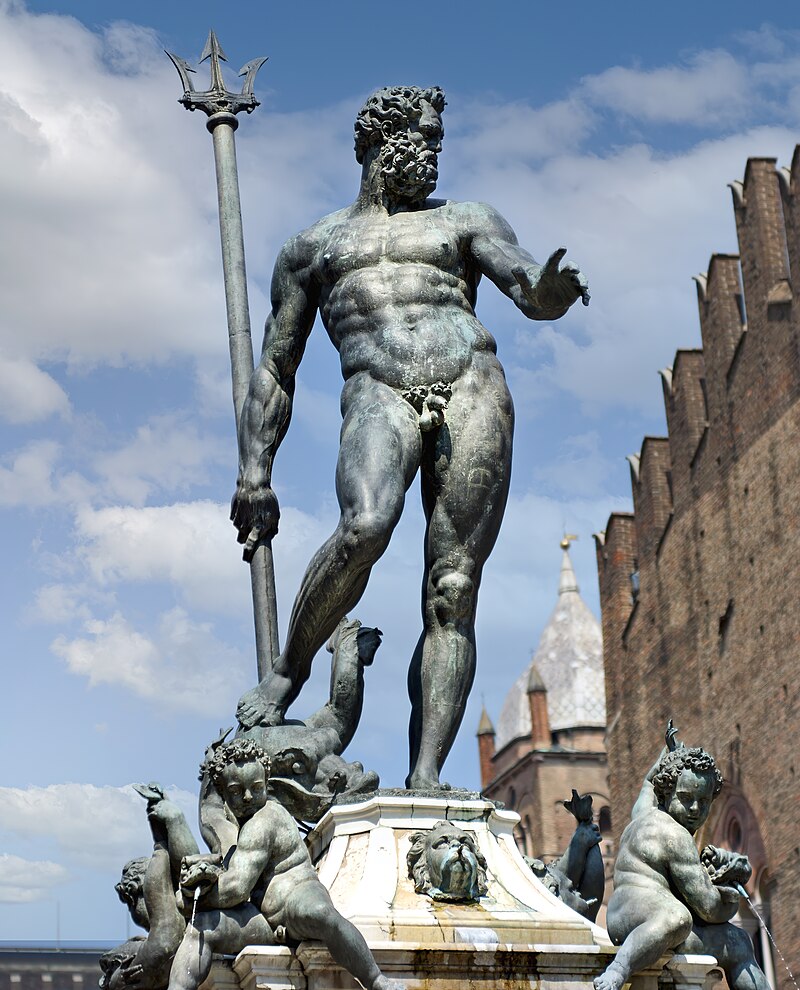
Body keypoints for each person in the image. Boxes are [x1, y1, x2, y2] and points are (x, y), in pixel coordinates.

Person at [230, 85, 589, 788]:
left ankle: (425, 775)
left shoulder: (466, 219)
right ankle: (288, 673)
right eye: (424, 137)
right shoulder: (312, 247)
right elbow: (277, 364)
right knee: (365, 526)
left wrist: (549, 291)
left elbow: (522, 281)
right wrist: (256, 471)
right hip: (377, 390)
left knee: (452, 587)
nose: (433, 151)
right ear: (381, 139)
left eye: (437, 141)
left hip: (472, 387)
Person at [168, 738, 403, 990]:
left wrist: (190, 898)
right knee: (201, 929)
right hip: (263, 920)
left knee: (320, 914)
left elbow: (236, 888)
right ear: (224, 792)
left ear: (267, 784)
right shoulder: (236, 828)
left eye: (256, 788)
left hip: (296, 896)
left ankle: (376, 979)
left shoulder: (264, 819)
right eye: (237, 791)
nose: (248, 797)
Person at [594, 728, 769, 990]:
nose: (696, 809)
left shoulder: (643, 814)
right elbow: (709, 909)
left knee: (681, 918)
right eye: (686, 799)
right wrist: (731, 888)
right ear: (667, 794)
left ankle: (620, 967)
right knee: (734, 941)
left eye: (704, 801)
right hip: (649, 924)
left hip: (621, 916)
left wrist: (669, 755)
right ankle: (618, 970)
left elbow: (647, 784)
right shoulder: (676, 836)